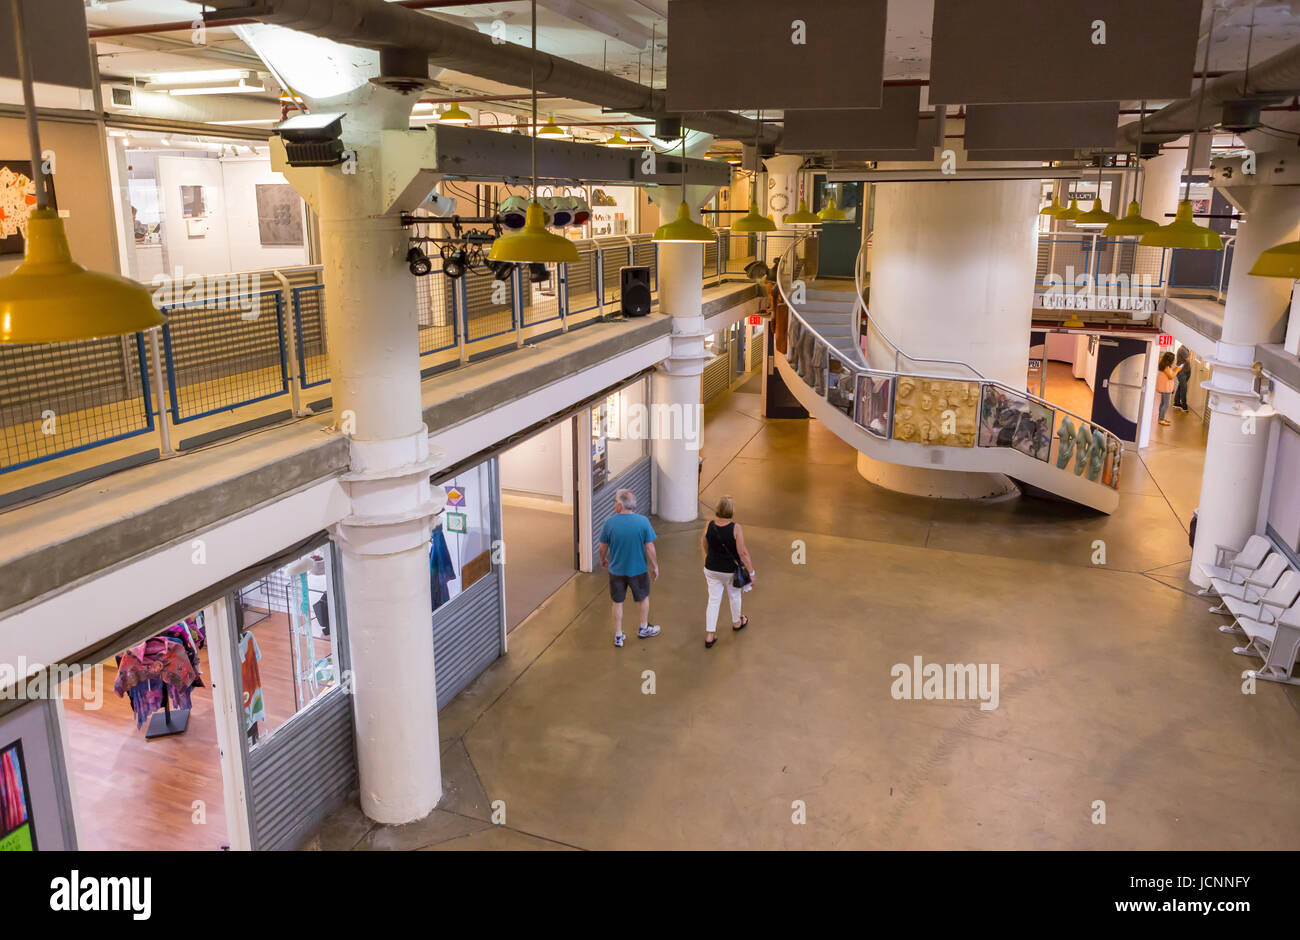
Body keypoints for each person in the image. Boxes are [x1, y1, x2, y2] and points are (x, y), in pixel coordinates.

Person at [598, 488, 660, 647]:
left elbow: (602, 547)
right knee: (643, 598)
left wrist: (603, 559)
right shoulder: (643, 522)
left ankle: (618, 636)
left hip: (616, 571)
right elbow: (650, 547)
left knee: (617, 602)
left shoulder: (609, 523)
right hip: (638, 570)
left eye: (614, 502)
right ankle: (643, 628)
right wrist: (655, 566)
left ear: (619, 505)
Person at [700, 496, 755, 649]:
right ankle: (737, 622)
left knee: (713, 600)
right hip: (730, 571)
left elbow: (704, 543)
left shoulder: (709, 525)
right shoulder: (736, 528)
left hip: (711, 569)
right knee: (734, 596)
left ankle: (710, 635)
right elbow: (742, 552)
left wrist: (711, 557)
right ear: (731, 511)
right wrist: (751, 571)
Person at [1156, 350, 1177, 426]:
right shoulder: (1166, 367)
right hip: (1166, 388)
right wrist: (1177, 370)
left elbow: (1170, 372)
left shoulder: (1163, 365)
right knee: (1166, 404)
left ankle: (1160, 418)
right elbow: (1171, 376)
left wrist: (1174, 369)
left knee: (1162, 403)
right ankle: (1161, 419)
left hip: (1164, 387)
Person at [1173, 346, 1192, 413]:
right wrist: (1191, 352)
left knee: (1181, 386)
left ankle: (1176, 402)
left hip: (1186, 370)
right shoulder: (1182, 349)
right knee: (1184, 388)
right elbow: (1188, 359)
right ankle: (1184, 406)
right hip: (1182, 372)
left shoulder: (1186, 349)